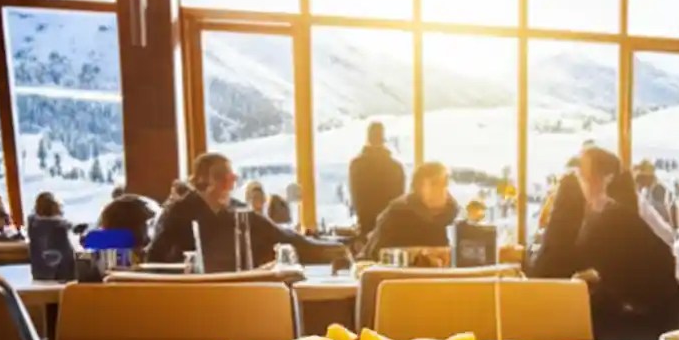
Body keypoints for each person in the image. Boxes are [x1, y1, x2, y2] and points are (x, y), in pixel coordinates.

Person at [531, 147, 679, 340]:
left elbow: (548, 274)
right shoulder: (611, 213)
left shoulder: (613, 219)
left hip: (640, 325)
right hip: (655, 319)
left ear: (604, 179)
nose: (578, 179)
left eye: (583, 175)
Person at [147, 152, 334, 270]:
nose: (226, 185)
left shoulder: (238, 213)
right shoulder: (177, 215)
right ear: (202, 181)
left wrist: (331, 248)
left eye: (229, 179)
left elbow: (282, 237)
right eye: (221, 178)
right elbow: (156, 260)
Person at [363, 161, 459, 259]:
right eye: (434, 184)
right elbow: (376, 254)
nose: (441, 189)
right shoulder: (396, 215)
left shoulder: (454, 219)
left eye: (445, 183)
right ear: (419, 188)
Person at [349, 121, 405, 240]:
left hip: (366, 223)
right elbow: (400, 199)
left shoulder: (356, 165)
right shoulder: (396, 167)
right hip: (391, 224)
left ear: (368, 138)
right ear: (383, 138)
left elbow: (356, 198)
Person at [633, 160, 673, 228]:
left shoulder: (659, 190)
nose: (637, 181)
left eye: (640, 177)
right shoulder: (645, 190)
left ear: (648, 177)